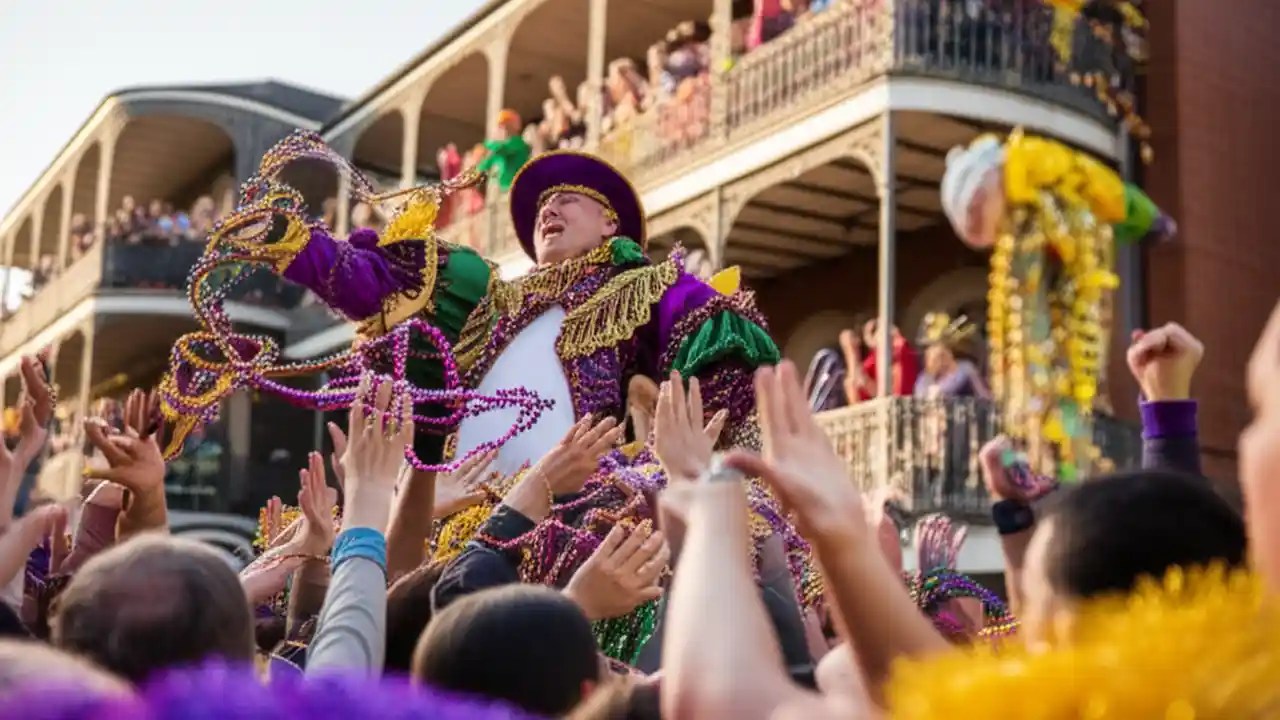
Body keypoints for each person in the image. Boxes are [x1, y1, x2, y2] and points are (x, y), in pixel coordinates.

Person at [159, 132, 811, 666]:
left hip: (574, 499)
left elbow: (723, 376)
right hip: (465, 511)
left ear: (611, 219)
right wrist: (295, 245)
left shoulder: (649, 285)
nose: (546, 211)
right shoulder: (493, 302)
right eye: (539, 207)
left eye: (566, 201)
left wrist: (686, 467)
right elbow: (382, 284)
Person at [913, 313, 989, 399]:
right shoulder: (924, 378)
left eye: (940, 355)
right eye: (928, 349)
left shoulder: (965, 369)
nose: (930, 355)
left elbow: (984, 397)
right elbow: (919, 398)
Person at [477, 110, 532, 193]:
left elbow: (501, 149)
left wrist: (489, 142)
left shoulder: (518, 142)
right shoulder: (498, 148)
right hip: (497, 192)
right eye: (501, 126)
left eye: (506, 125)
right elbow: (484, 166)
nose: (503, 128)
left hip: (512, 189)